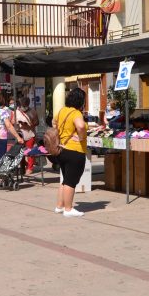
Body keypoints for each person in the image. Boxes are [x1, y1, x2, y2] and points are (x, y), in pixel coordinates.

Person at [53, 88, 89, 217]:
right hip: (75, 150)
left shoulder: (62, 111)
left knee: (65, 180)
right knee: (71, 181)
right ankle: (68, 209)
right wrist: (81, 137)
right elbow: (80, 126)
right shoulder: (76, 113)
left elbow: (54, 124)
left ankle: (60, 206)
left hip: (62, 149)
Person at [16, 96, 37, 174]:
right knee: (21, 152)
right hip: (20, 135)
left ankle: (30, 168)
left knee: (30, 151)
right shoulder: (16, 112)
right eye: (22, 105)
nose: (23, 107)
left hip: (30, 134)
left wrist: (28, 126)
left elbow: (36, 122)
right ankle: (22, 167)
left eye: (25, 105)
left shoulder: (32, 111)